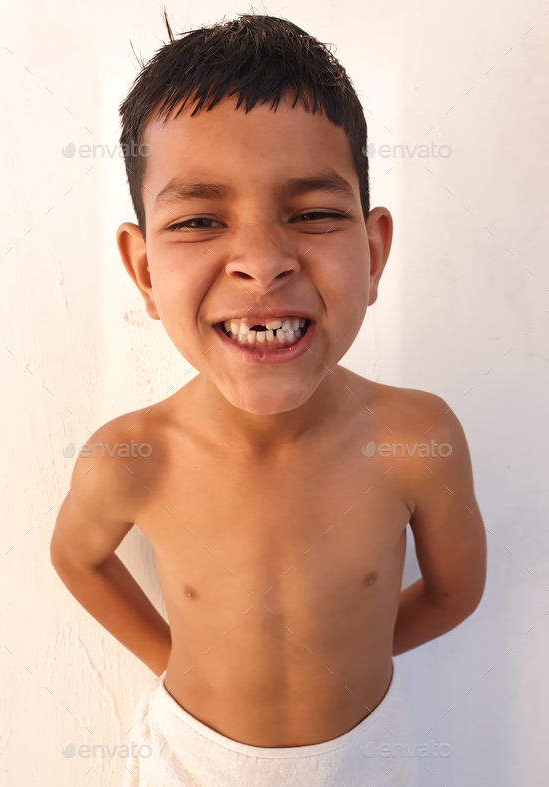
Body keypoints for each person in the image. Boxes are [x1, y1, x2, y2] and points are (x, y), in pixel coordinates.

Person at [50, 10, 486, 786]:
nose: (262, 261)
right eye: (199, 219)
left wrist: (341, 661)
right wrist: (173, 657)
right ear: (145, 271)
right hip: (191, 757)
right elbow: (75, 558)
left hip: (368, 754)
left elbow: (457, 591)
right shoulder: (132, 455)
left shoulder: (419, 438)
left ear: (375, 250)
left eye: (314, 212)